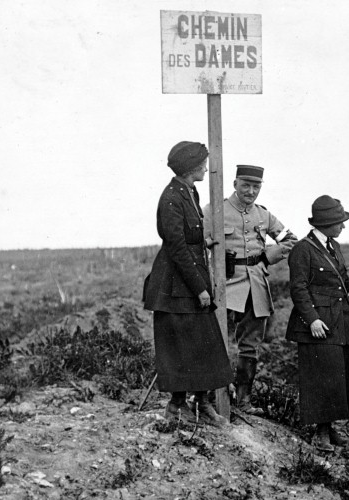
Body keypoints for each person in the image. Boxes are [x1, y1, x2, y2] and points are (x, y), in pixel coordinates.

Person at [143, 141, 233, 426]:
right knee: (180, 346)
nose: (206, 168)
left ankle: (203, 403)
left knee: (205, 343)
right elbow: (177, 248)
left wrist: (203, 242)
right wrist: (200, 288)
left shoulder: (189, 192)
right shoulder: (171, 197)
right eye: (203, 164)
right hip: (175, 285)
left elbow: (188, 238)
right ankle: (177, 406)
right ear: (192, 167)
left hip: (188, 279)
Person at [285, 195, 349, 452]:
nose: (343, 226)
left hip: (340, 321)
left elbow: (345, 277)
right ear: (326, 223)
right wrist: (312, 319)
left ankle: (330, 429)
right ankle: (321, 434)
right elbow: (298, 288)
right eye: (339, 222)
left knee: (338, 377)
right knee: (322, 377)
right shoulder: (303, 249)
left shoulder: (332, 246)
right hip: (319, 324)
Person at [203, 165, 297, 416]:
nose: (251, 191)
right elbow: (197, 242)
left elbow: (290, 239)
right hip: (225, 284)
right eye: (246, 185)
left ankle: (243, 401)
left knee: (249, 346)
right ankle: (211, 398)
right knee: (216, 341)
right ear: (235, 184)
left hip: (255, 283)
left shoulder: (264, 216)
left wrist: (267, 258)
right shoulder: (214, 210)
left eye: (256, 187)